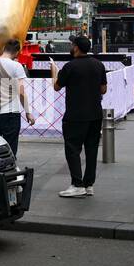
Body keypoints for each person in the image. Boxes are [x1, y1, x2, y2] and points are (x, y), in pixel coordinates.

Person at [51, 34, 107, 198]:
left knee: (73, 149)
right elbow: (103, 89)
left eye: (72, 44)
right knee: (91, 150)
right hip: (95, 114)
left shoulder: (70, 67)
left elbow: (56, 87)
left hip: (75, 115)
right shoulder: (98, 65)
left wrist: (54, 73)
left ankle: (77, 184)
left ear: (76, 47)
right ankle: (89, 184)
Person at [0, 40, 36, 156]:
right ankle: (8, 169)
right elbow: (21, 92)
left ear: (4, 47)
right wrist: (28, 112)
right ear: (17, 52)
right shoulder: (16, 66)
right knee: (10, 146)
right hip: (10, 112)